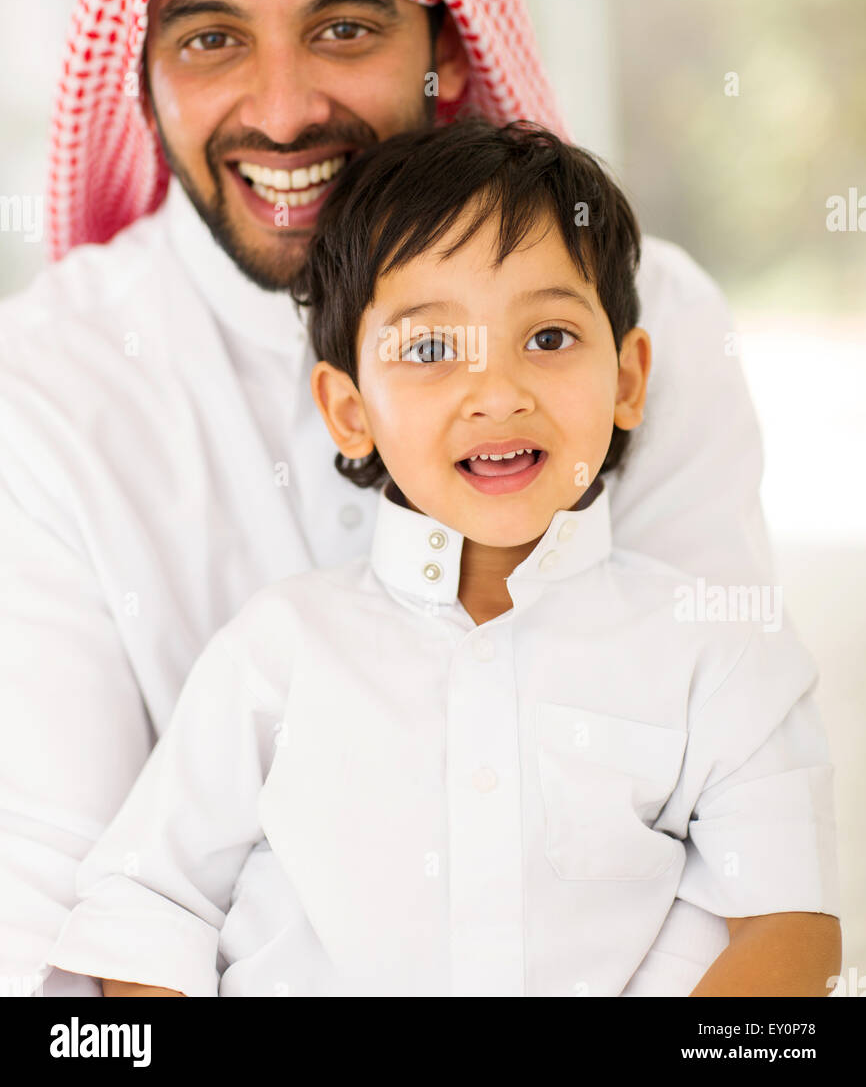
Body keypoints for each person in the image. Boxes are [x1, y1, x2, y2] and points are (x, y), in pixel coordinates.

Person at [0, 0, 813, 998]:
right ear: (144, 74)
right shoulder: (45, 385)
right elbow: (63, 912)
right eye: (211, 38)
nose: (283, 112)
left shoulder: (656, 322)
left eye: (344, 29)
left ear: (442, 51)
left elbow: (734, 868)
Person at [44, 119, 841, 998]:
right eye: (428, 350)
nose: (496, 393)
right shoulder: (278, 652)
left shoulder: (722, 659)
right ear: (348, 411)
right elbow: (148, 909)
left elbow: (791, 934)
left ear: (626, 380)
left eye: (548, 339)